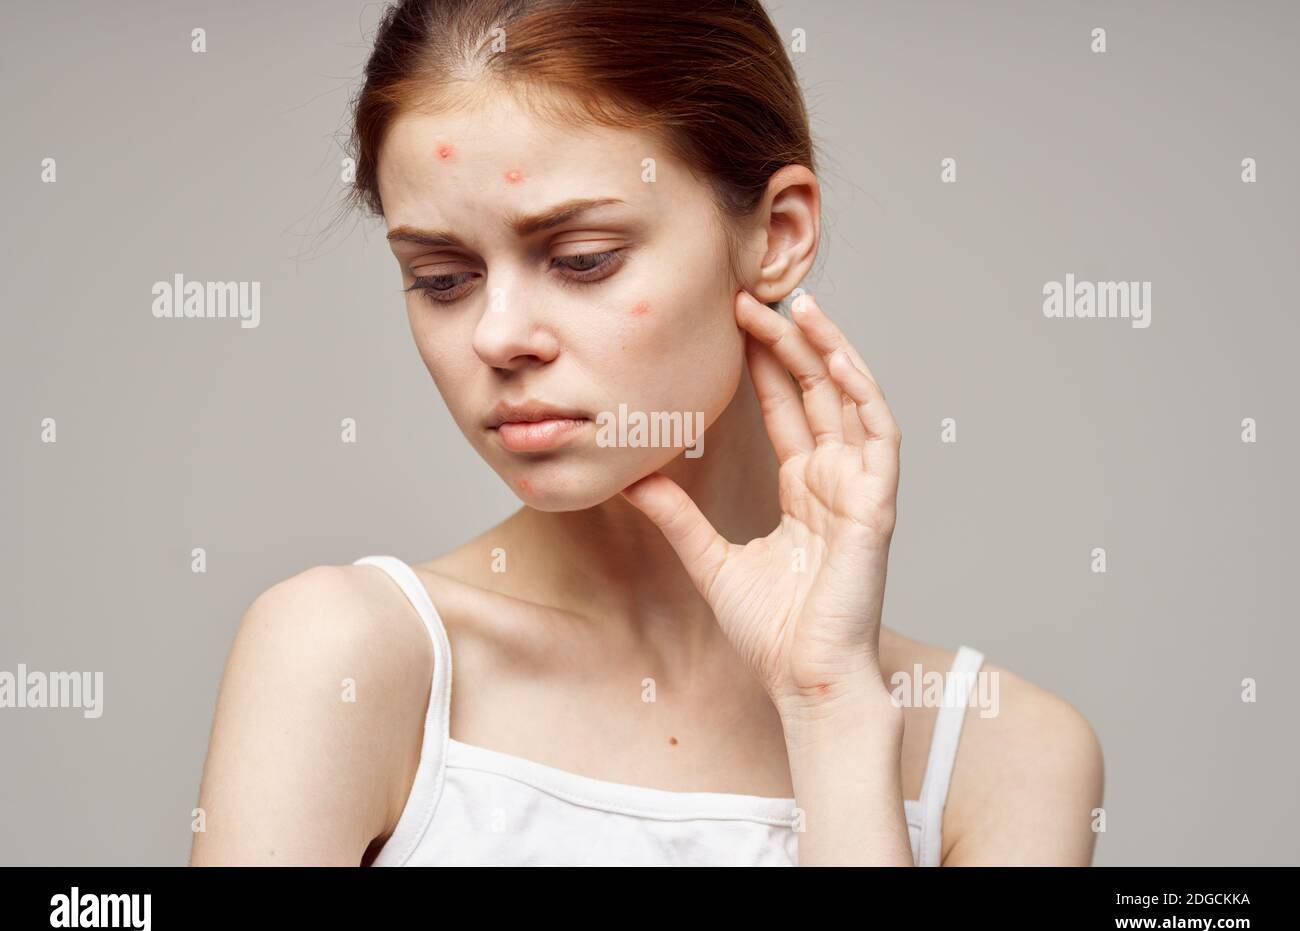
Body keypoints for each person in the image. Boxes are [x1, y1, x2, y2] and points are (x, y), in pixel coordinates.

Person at [191, 0, 1103, 866]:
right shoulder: (346, 658)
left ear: (777, 233)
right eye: (441, 278)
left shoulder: (1003, 755)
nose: (498, 336)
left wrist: (830, 710)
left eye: (583, 259)